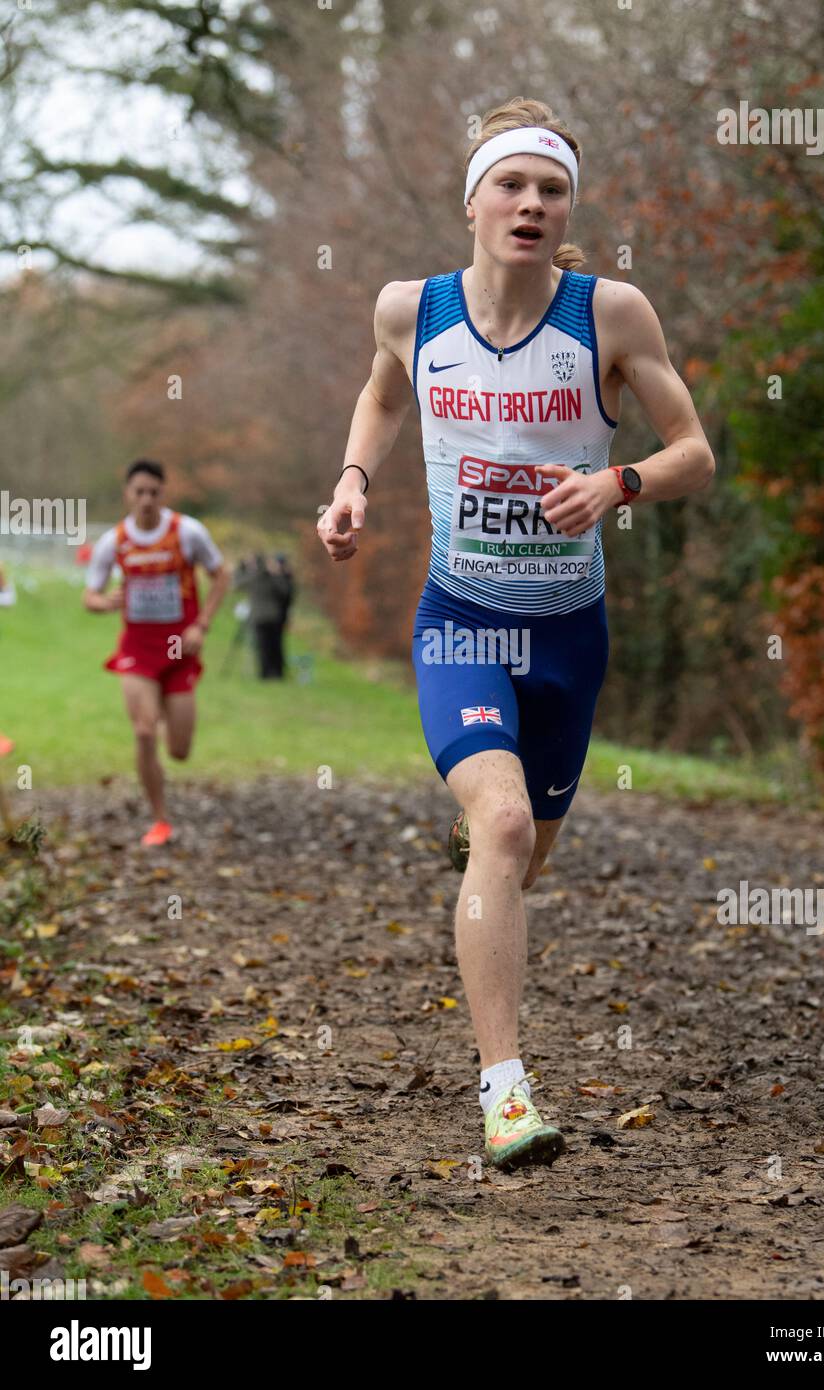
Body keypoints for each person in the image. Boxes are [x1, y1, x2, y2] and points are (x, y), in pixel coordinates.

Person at [316, 97, 715, 1171]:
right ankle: (505, 1091)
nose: (532, 204)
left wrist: (617, 482)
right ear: (474, 202)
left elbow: (696, 451)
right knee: (498, 827)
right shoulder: (411, 308)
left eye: (552, 191)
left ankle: (481, 874)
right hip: (460, 620)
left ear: (566, 210)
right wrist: (353, 481)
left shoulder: (610, 315)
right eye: (513, 185)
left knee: (521, 854)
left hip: (568, 636)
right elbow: (384, 396)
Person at [83, 460, 230, 846]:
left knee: (179, 751)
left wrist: (202, 624)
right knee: (144, 731)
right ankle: (160, 819)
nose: (146, 499)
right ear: (127, 494)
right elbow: (90, 596)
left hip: (180, 649)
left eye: (153, 492)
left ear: (163, 494)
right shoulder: (114, 541)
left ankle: (166, 712)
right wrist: (104, 602)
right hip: (137, 651)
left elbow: (222, 575)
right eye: (139, 492)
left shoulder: (188, 533)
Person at [233, 553, 293, 679]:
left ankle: (268, 674)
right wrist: (280, 574)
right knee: (273, 647)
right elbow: (286, 591)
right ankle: (275, 673)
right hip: (272, 617)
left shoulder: (254, 578)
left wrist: (242, 567)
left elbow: (237, 583)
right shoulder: (271, 577)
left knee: (265, 647)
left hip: (262, 617)